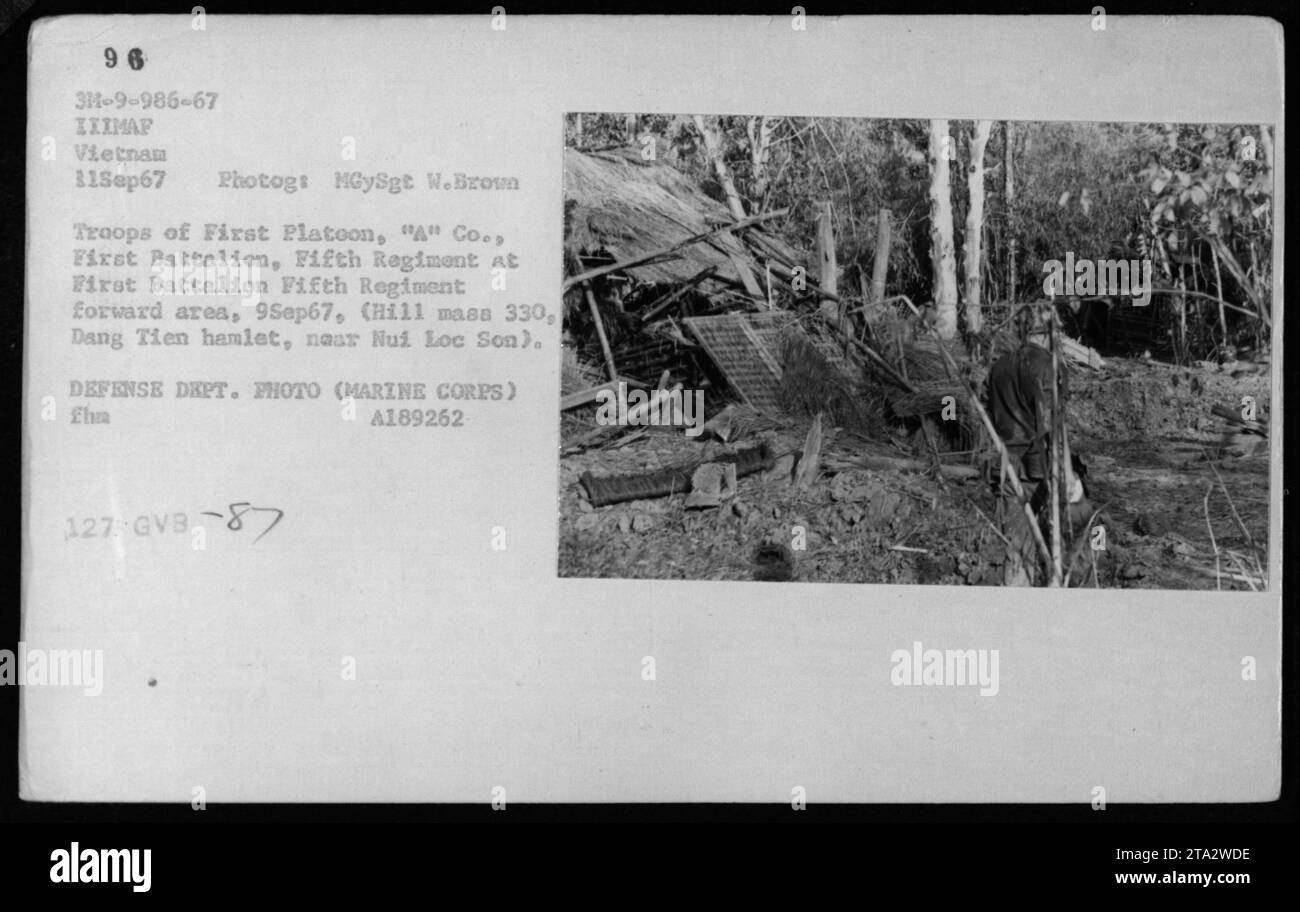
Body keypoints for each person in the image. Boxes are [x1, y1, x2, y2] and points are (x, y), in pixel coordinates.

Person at [987, 311, 1086, 586]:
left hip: (1006, 467)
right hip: (1038, 469)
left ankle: (1019, 595)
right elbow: (1054, 425)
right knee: (1063, 537)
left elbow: (990, 418)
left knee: (1017, 545)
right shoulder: (1048, 367)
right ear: (1047, 334)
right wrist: (1067, 473)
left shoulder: (999, 366)